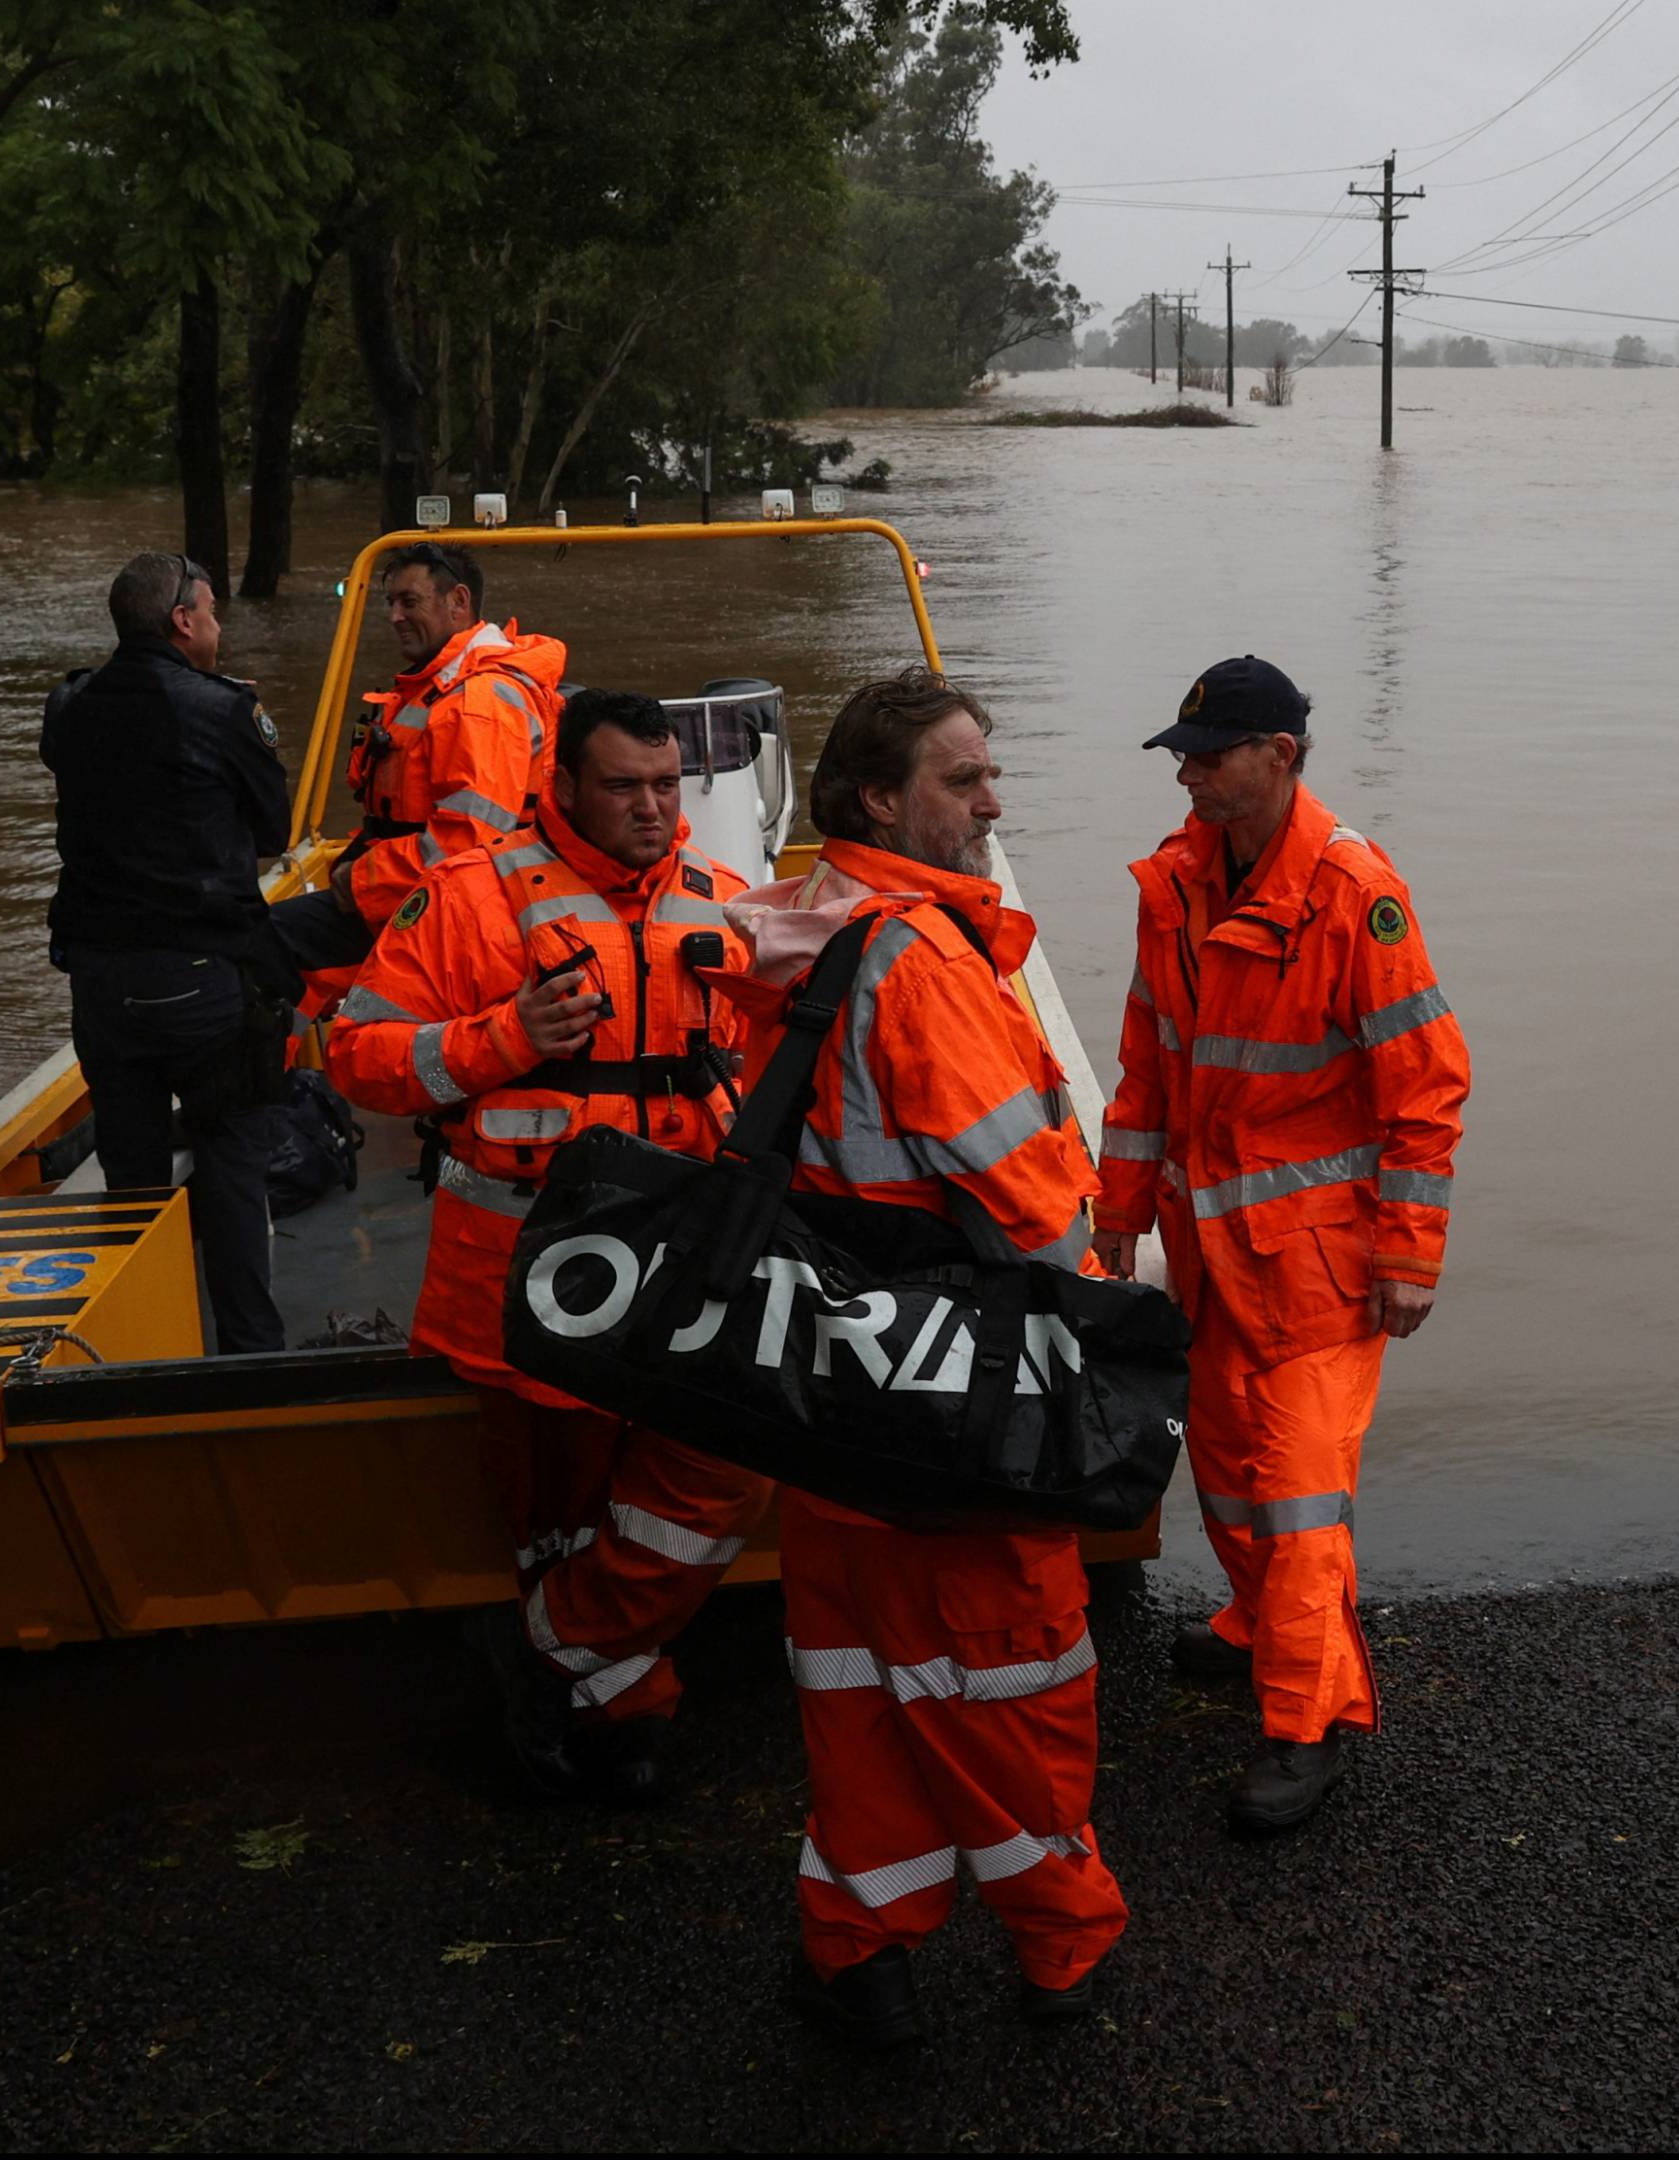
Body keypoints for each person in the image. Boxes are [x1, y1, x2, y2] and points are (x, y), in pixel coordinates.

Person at [709, 668, 1121, 2048]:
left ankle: (859, 1953)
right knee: (1013, 1679)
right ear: (880, 800)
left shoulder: (801, 927)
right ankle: (1062, 1950)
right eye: (963, 778)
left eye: (990, 772)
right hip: (952, 1397)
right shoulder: (927, 962)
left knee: (856, 1690)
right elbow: (1039, 1217)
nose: (993, 801)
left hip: (827, 1393)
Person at [321, 686, 768, 1801]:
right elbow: (359, 1056)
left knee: (713, 1476)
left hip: (680, 1273)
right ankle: (616, 1704)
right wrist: (505, 1038)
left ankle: (548, 1660)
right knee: (557, 1521)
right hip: (521, 1283)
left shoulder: (728, 903)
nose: (654, 809)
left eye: (666, 785)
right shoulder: (468, 899)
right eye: (623, 787)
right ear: (562, 786)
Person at [1090, 655, 1469, 1836]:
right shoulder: (1176, 886)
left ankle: (1306, 1724)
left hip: (1318, 1268)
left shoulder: (1354, 895)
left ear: (1281, 757)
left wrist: (1409, 1257)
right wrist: (1117, 1213)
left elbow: (1425, 1090)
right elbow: (1147, 1068)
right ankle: (1260, 1628)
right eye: (1184, 759)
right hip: (1210, 1254)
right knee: (1224, 1474)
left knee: (1299, 1500)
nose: (1189, 777)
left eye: (1209, 759)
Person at [40, 552, 297, 1355]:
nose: (218, 625)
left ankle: (142, 1347)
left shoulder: (70, 705)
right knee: (232, 1159)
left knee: (132, 1176)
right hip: (202, 979)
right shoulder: (224, 711)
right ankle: (250, 1353)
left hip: (100, 982)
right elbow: (274, 831)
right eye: (212, 612)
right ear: (182, 621)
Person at [321, 540, 568, 951]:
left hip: (455, 917)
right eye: (391, 603)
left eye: (409, 602)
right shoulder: (438, 686)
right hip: (418, 888)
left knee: (266, 938)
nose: (395, 616)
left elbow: (467, 847)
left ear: (458, 601)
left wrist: (360, 880)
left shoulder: (479, 703)